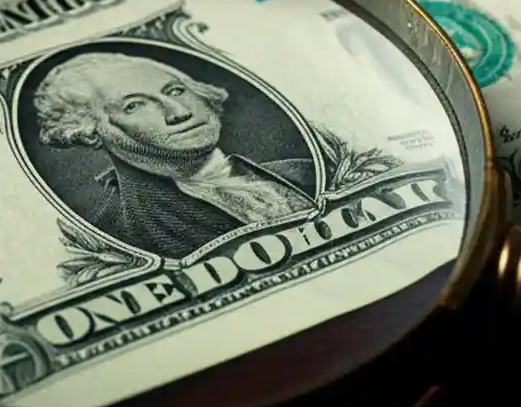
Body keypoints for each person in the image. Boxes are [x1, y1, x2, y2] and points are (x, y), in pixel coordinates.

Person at [33, 51, 317, 258]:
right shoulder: (117, 237)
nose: (179, 112)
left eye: (176, 90)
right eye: (135, 106)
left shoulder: (303, 173)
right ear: (89, 131)